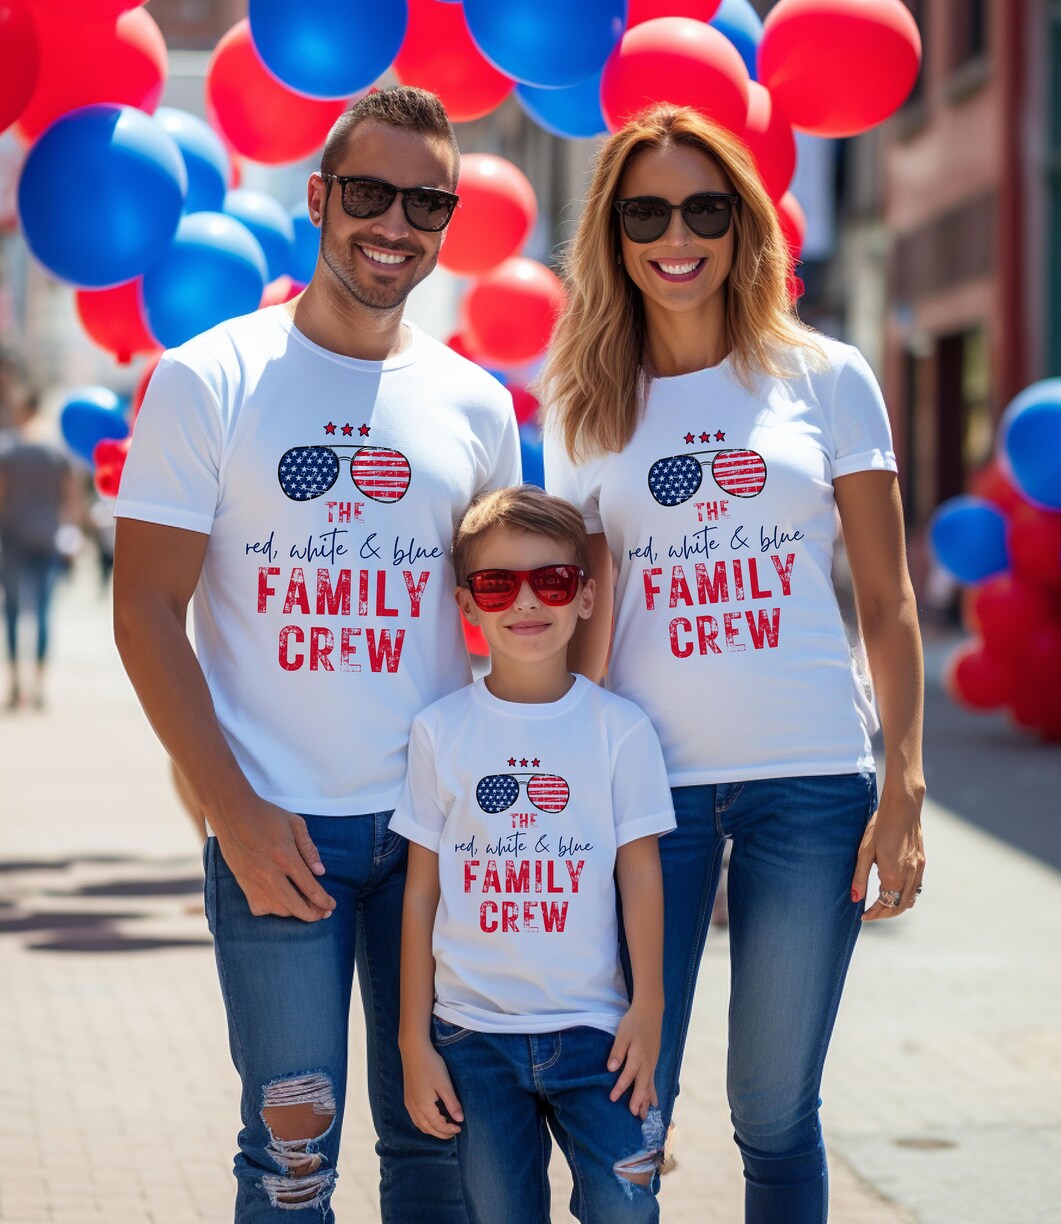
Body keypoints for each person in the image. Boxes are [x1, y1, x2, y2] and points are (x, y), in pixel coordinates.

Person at [113, 86, 521, 1222]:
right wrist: (230, 811)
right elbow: (144, 612)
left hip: (438, 841)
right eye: (371, 193)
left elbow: (505, 622)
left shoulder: (478, 405)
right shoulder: (211, 377)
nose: (395, 224)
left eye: (426, 201)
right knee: (291, 1161)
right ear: (319, 199)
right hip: (274, 832)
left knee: (438, 1149)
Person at [540, 104, 926, 1223]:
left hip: (811, 788)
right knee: (628, 1107)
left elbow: (891, 602)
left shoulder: (826, 376)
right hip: (647, 801)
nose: (677, 234)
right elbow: (581, 621)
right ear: (612, 234)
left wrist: (902, 780)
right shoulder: (589, 405)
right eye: (647, 211)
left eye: (705, 209)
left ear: (744, 224)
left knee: (772, 1111)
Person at [391, 485, 676, 1222]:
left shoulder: (621, 730)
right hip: (472, 1035)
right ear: (468, 604)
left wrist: (650, 1006)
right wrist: (412, 1039)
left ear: (583, 597)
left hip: (597, 1034)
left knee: (626, 1208)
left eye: (551, 580)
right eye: (498, 583)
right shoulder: (440, 732)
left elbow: (640, 874)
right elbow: (420, 893)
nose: (526, 601)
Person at [0, 387, 80, 710]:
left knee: (14, 613)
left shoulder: (9, 449)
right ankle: (41, 685)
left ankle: (18, 684)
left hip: (14, 540)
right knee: (45, 613)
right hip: (47, 539)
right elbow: (70, 496)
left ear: (22, 409)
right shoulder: (55, 451)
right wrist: (71, 532)